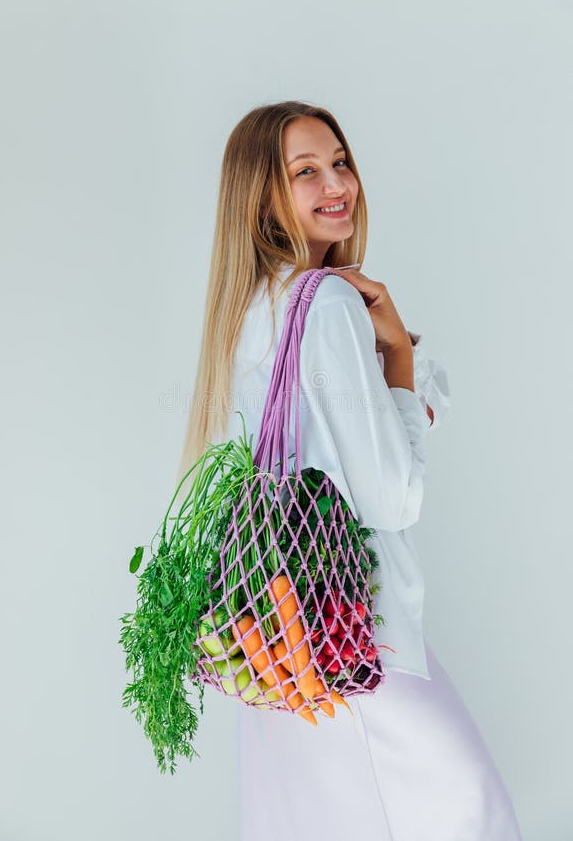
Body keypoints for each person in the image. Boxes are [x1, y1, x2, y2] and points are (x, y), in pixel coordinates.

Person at [177, 101, 523, 840]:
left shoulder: (250, 305)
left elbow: (317, 445)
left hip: (273, 634)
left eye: (340, 162)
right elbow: (393, 497)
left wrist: (398, 383)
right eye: (306, 172)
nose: (338, 184)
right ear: (262, 195)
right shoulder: (330, 303)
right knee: (471, 808)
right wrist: (397, 359)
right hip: (353, 629)